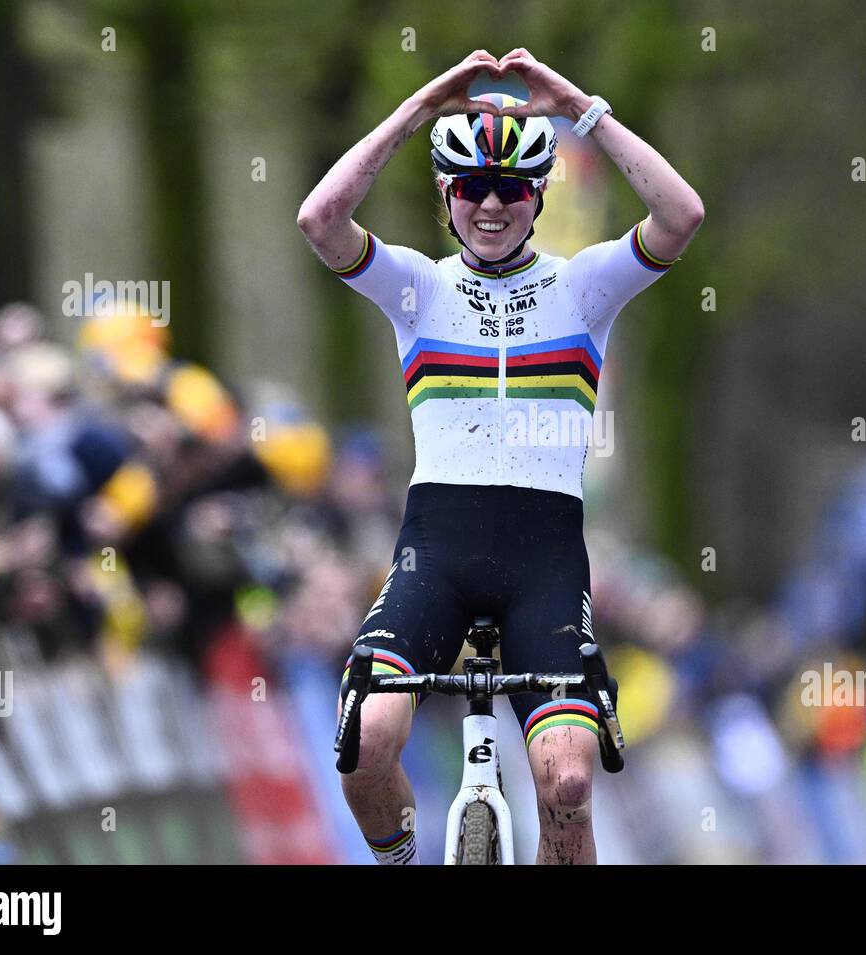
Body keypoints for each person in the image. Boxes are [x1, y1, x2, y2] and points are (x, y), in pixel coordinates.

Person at [298, 48, 704, 865]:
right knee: (368, 742)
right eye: (471, 187)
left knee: (567, 784)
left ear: (538, 195)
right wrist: (417, 109)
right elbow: (320, 220)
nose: (491, 205)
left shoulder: (584, 286)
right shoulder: (418, 287)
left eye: (511, 188)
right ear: (448, 198)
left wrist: (580, 107)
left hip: (544, 562)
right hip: (434, 552)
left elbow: (681, 215)